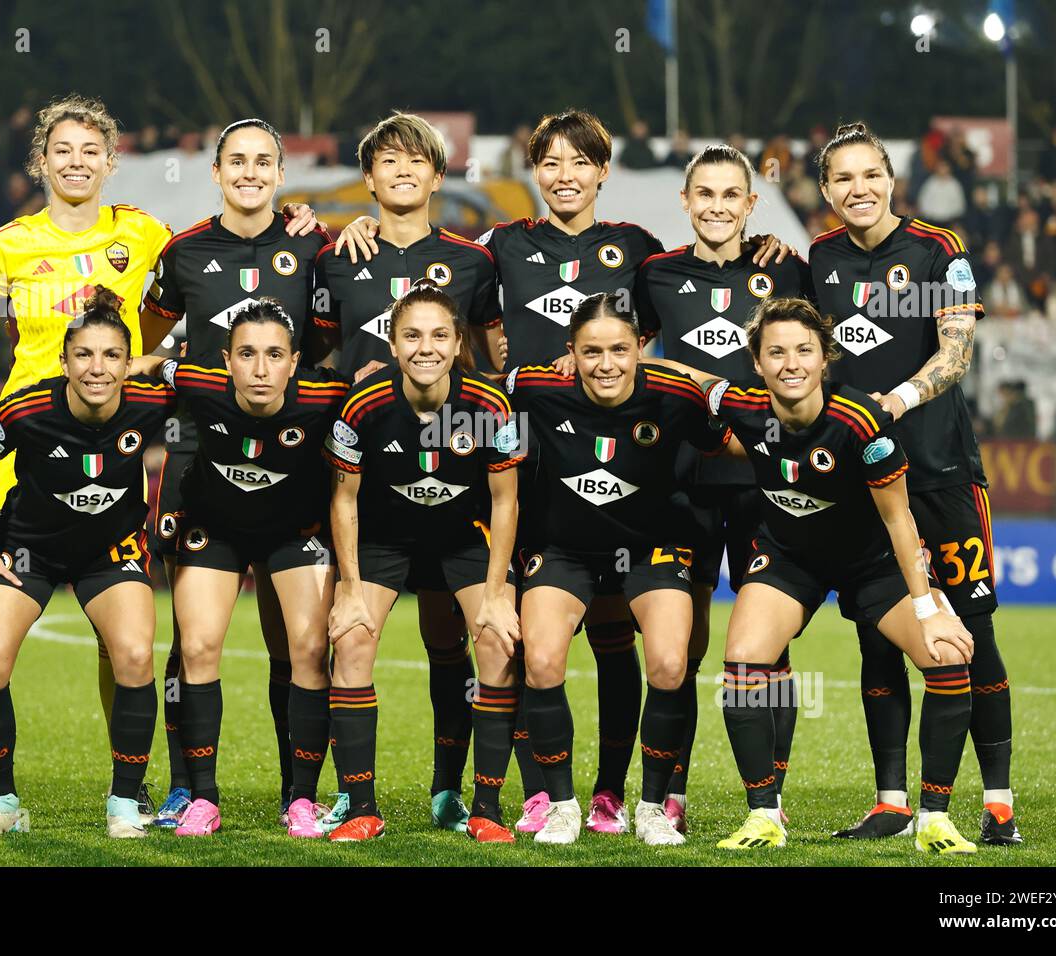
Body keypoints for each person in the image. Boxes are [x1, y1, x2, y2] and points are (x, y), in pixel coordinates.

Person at [338, 110, 787, 835]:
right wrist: (344, 229)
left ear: (603, 172)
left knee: (630, 643)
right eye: (550, 162)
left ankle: (624, 791)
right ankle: (534, 793)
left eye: (581, 162)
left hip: (633, 471)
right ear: (536, 171)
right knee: (520, 643)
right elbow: (426, 276)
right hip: (528, 471)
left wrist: (759, 248)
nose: (566, 175)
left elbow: (698, 278)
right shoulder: (499, 247)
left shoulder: (639, 252)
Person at [0, 95, 319, 828]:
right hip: (26, 437)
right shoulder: (7, 243)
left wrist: (296, 215)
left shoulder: (144, 236)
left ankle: (128, 782)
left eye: (90, 151)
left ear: (111, 161)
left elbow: (218, 258)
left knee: (126, 632)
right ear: (40, 159)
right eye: (62, 150)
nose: (76, 162)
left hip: (118, 440)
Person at [696, 296, 978, 855]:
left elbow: (900, 522)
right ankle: (765, 816)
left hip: (873, 565)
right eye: (775, 352)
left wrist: (928, 610)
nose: (790, 363)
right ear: (756, 362)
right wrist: (611, 362)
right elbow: (690, 375)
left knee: (948, 658)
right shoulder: (742, 404)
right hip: (788, 560)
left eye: (804, 350)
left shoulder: (862, 423)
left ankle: (934, 819)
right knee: (743, 662)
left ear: (825, 357)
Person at [808, 122, 1020, 844]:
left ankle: (998, 807)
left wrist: (892, 403)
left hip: (940, 474)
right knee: (879, 639)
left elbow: (957, 354)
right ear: (826, 190)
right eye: (842, 179)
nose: (857, 189)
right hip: (865, 485)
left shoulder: (940, 249)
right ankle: (893, 804)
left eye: (870, 175)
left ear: (891, 179)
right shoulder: (820, 258)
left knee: (973, 634)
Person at [138, 117, 332, 828]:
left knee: (300, 645)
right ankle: (191, 788)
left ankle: (298, 790)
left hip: (291, 466)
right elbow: (149, 345)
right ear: (216, 173)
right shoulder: (183, 250)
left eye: (263, 163)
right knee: (194, 640)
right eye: (236, 162)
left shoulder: (315, 243)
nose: (249, 173)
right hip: (202, 467)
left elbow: (337, 339)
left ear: (282, 176)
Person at [314, 112, 503, 833]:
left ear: (436, 173)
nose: (401, 171)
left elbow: (489, 364)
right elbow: (314, 355)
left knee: (448, 642)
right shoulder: (333, 256)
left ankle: (452, 793)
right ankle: (348, 798)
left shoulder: (472, 262)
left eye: (415, 160)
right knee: (338, 637)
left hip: (456, 489)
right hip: (368, 471)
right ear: (367, 179)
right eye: (386, 161)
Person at [507, 292, 730, 846]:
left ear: (641, 350)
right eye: (591, 352)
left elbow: (733, 443)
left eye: (619, 350)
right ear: (570, 354)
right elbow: (465, 390)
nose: (606, 364)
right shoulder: (534, 387)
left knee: (671, 664)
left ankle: (652, 807)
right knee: (539, 659)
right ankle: (561, 805)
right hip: (562, 551)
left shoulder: (675, 394)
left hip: (653, 548)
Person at [636, 143, 815, 828]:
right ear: (686, 203)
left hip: (761, 482)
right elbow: (616, 347)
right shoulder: (655, 273)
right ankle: (670, 794)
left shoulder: (786, 268)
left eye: (728, 195)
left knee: (770, 642)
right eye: (702, 195)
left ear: (749, 203)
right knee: (683, 642)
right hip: (677, 483)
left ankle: (770, 797)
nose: (715, 206)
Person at [0, 288, 172, 838]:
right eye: (84, 354)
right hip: (30, 552)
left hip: (109, 553)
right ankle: (2, 801)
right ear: (64, 360)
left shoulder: (151, 402)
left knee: (132, 655)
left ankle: (125, 803)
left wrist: (164, 363)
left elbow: (211, 381)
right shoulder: (25, 408)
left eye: (111, 356)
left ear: (128, 364)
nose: (96, 368)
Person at [132, 300, 347, 838]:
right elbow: (164, 366)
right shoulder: (200, 384)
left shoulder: (326, 394)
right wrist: (142, 360)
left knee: (310, 650)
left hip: (293, 533)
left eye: (274, 355)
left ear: (294, 362)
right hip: (217, 530)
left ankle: (301, 798)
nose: (259, 368)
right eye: (246, 354)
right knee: (198, 647)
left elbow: (382, 395)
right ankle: (203, 798)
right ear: (226, 361)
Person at [322, 283, 522, 842]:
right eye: (411, 335)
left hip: (464, 538)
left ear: (459, 342)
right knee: (354, 639)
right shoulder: (362, 406)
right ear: (392, 343)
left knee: (495, 641)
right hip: (386, 540)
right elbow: (344, 500)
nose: (425, 348)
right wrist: (349, 587)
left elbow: (506, 501)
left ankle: (479, 805)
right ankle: (361, 806)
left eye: (439, 335)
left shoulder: (490, 406)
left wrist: (500, 591)